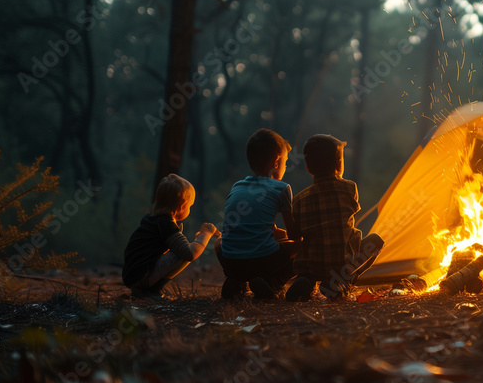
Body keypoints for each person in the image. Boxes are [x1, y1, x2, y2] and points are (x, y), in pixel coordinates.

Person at [285, 134, 384, 301]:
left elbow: (296, 234)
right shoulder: (349, 188)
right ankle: (341, 282)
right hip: (343, 264)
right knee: (375, 241)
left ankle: (307, 281)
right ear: (339, 163)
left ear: (308, 167)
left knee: (309, 257)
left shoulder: (299, 199)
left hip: (311, 264)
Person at [216, 128, 297, 301]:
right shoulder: (282, 188)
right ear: (276, 162)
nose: (285, 167)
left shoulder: (237, 186)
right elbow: (293, 233)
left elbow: (251, 226)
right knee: (300, 247)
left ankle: (237, 281)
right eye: (285, 162)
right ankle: (272, 284)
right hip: (262, 261)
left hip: (232, 262)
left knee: (218, 242)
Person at [123, 174, 218, 300]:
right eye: (190, 206)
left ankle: (144, 291)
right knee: (183, 252)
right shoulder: (165, 223)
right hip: (141, 276)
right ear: (183, 206)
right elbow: (190, 253)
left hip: (133, 276)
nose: (189, 209)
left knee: (182, 249)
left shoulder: (152, 219)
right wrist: (206, 234)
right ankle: (151, 291)